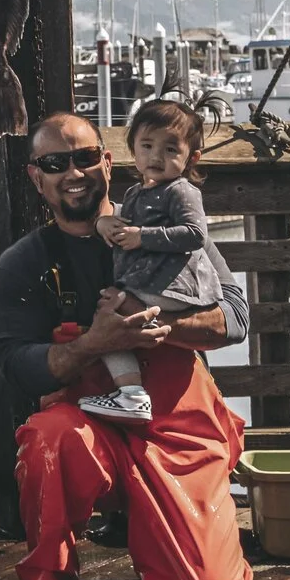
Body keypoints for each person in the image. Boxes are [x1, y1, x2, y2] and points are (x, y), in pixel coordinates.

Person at [0, 111, 253, 580]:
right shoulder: (22, 261)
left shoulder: (172, 228)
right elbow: (16, 367)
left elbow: (237, 318)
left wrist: (156, 327)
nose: (73, 172)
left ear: (109, 162)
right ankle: (47, 577)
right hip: (91, 421)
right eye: (55, 163)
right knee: (49, 437)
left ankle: (162, 545)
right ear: (35, 177)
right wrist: (91, 345)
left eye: (85, 158)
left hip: (177, 428)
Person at [80, 99, 232, 425]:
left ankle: (132, 394)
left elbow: (194, 234)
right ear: (133, 150)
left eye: (170, 150)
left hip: (174, 285)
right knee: (107, 319)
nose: (156, 157)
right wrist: (103, 223)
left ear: (192, 158)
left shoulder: (182, 191)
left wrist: (142, 237)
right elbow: (125, 220)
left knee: (109, 319)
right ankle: (131, 391)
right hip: (154, 282)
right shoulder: (137, 193)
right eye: (147, 146)